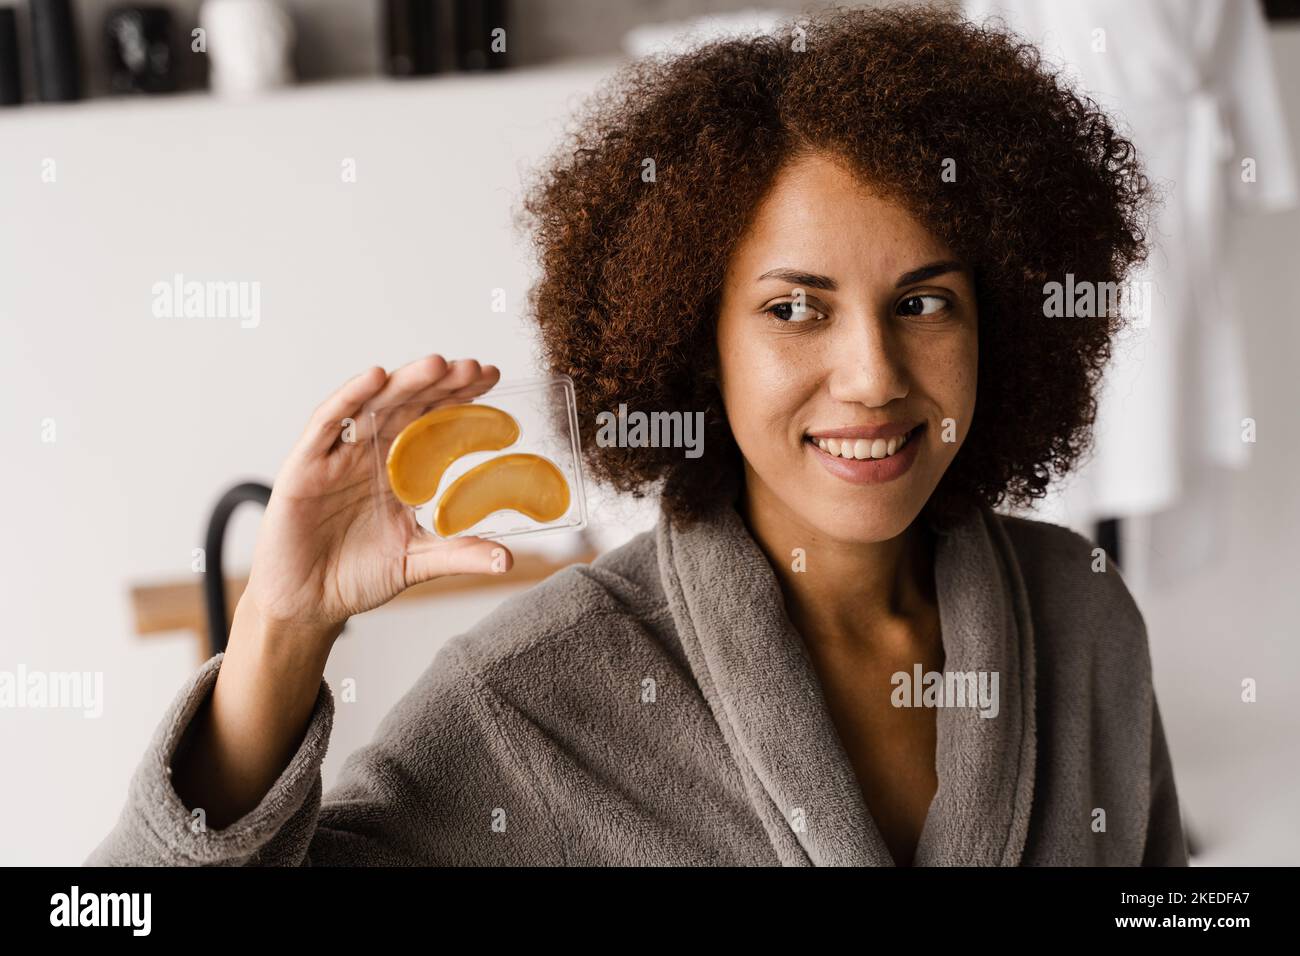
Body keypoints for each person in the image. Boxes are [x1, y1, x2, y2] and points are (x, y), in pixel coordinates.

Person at [87, 6, 1187, 867]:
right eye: (794, 307)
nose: (872, 376)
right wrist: (281, 629)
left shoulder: (1080, 611)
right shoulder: (537, 694)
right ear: (694, 342)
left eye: (923, 302)